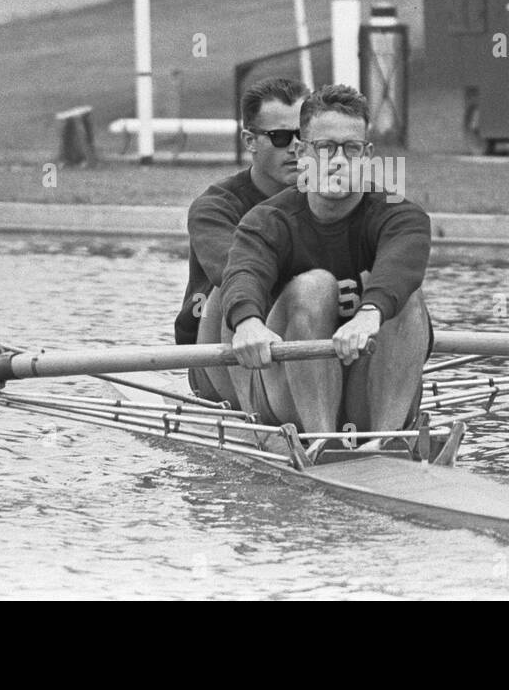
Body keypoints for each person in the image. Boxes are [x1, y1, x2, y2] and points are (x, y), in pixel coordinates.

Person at [219, 84, 431, 438]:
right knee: (314, 285)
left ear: (367, 154)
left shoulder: (402, 216)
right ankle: (321, 442)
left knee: (407, 296)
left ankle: (387, 442)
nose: (338, 160)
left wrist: (370, 313)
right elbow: (244, 274)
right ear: (302, 151)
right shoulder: (266, 220)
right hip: (286, 398)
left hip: (370, 393)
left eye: (351, 148)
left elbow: (401, 264)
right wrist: (247, 322)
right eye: (325, 148)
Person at [175, 76, 308, 403]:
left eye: (304, 135)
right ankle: (264, 422)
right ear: (250, 140)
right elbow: (237, 273)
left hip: (296, 342)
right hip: (218, 351)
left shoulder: (327, 199)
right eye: (280, 137)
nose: (295, 147)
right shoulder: (214, 207)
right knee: (240, 280)